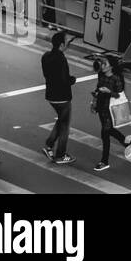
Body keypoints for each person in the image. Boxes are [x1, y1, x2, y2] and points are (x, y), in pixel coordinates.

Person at [91, 55, 131, 171]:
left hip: (111, 108)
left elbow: (119, 95)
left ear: (111, 66)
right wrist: (94, 102)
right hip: (102, 106)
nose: (102, 65)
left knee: (105, 133)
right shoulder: (101, 75)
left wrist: (109, 92)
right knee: (108, 130)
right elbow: (97, 89)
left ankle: (104, 161)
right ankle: (128, 144)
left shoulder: (116, 78)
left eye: (104, 63)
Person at [42, 31, 77, 165]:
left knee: (61, 120)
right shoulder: (61, 59)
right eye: (67, 43)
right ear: (61, 45)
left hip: (51, 96)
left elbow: (48, 75)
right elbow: (64, 80)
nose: (68, 45)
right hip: (62, 97)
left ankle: (49, 145)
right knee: (64, 126)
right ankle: (60, 154)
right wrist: (72, 80)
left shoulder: (46, 56)